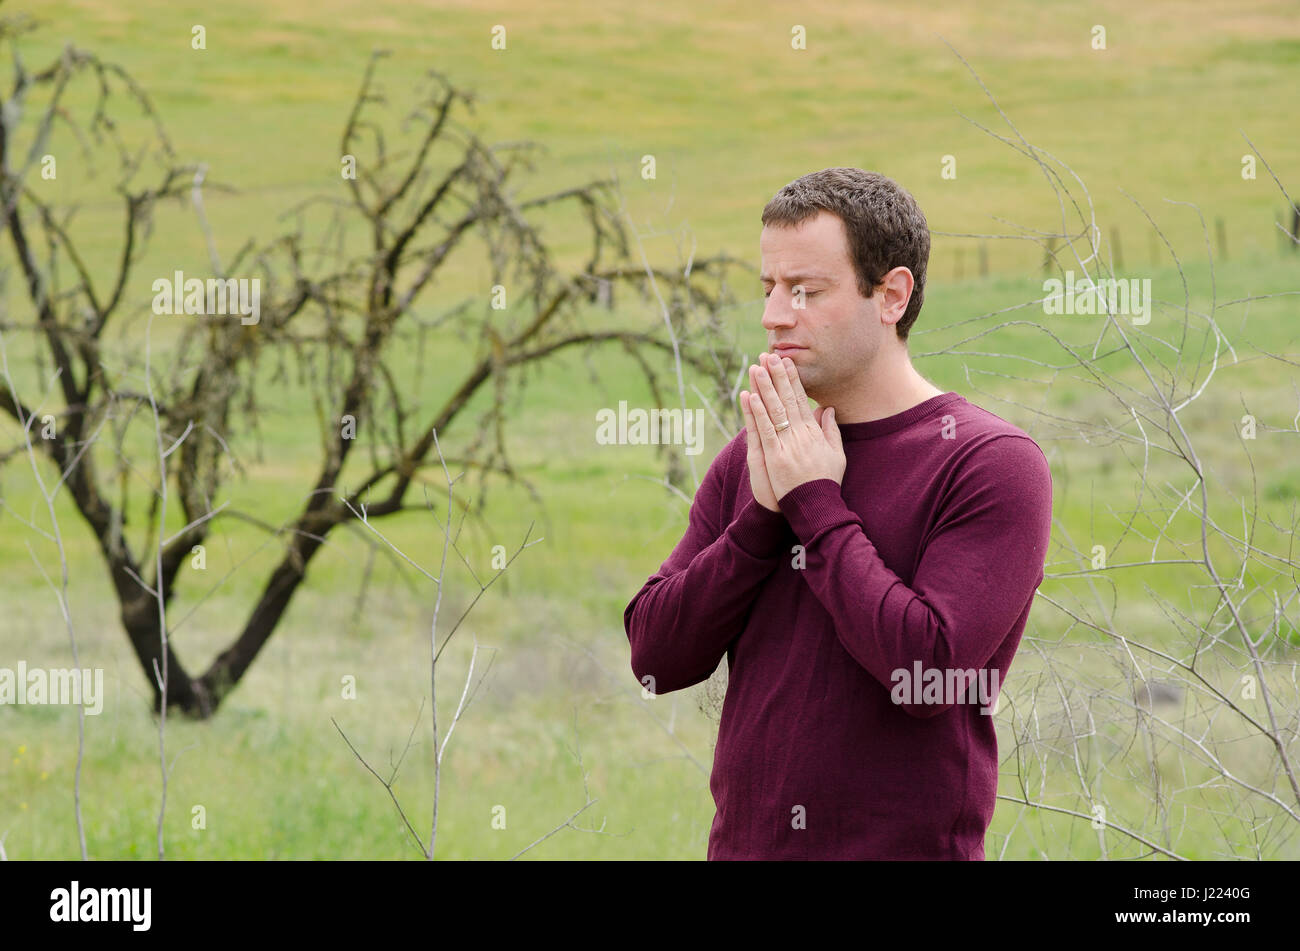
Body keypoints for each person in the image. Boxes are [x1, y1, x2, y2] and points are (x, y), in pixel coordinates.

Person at [623, 167, 1053, 859]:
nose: (773, 314)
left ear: (891, 294)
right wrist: (763, 515)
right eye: (768, 288)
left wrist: (815, 502)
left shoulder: (990, 462)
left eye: (805, 291)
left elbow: (928, 671)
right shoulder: (756, 456)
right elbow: (655, 656)